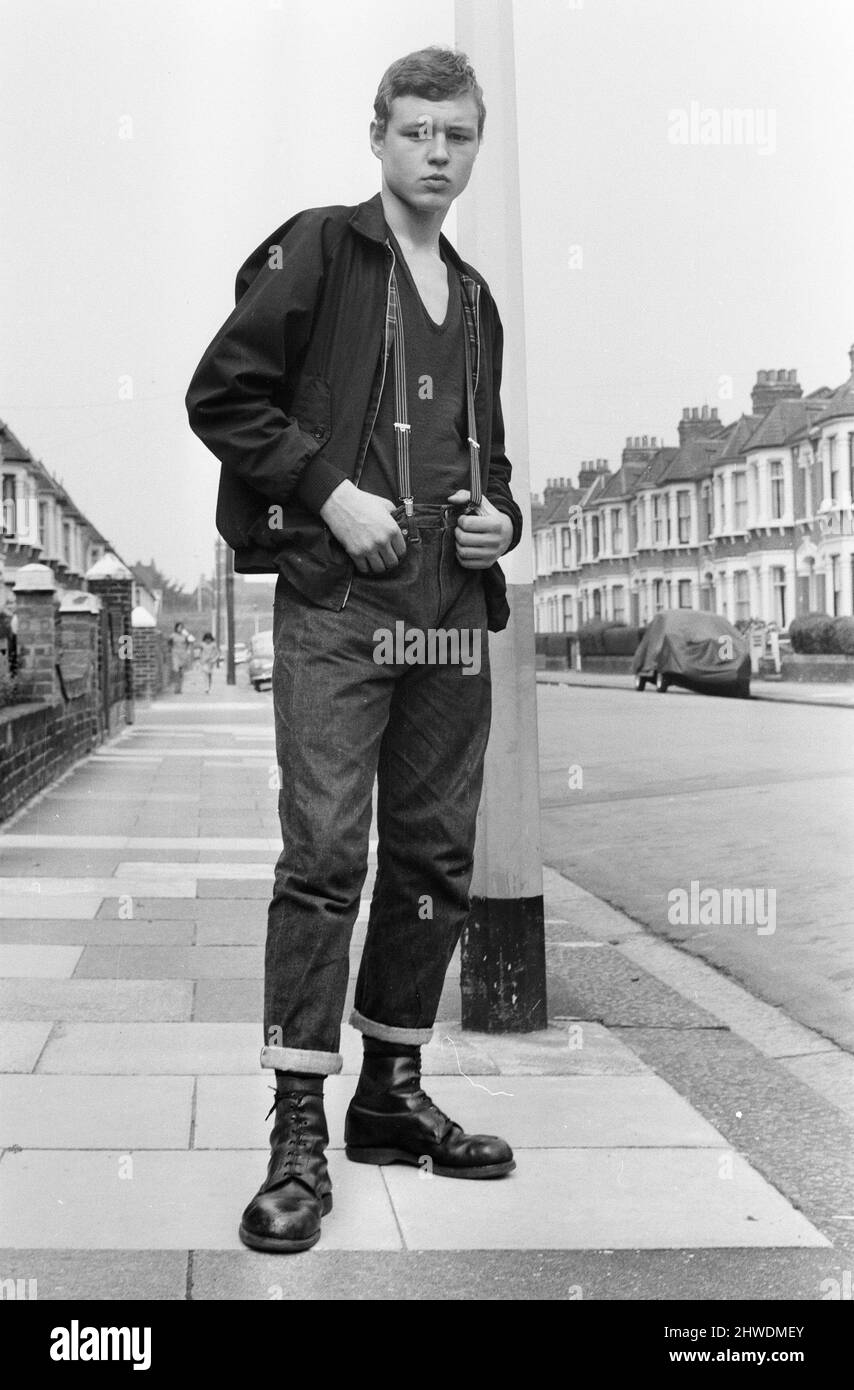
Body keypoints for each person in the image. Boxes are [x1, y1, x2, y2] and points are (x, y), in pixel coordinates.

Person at [186, 46, 524, 1254]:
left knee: (432, 855)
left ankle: (388, 1095)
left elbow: (477, 456)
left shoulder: (476, 297)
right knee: (326, 852)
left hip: (449, 605)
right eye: (418, 130)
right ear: (377, 136)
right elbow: (222, 396)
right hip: (340, 600)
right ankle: (293, 1129)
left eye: (458, 135)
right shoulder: (318, 249)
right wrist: (326, 494)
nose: (438, 152)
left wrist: (503, 520)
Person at [166, 621, 190, 694]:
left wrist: (185, 650)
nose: (180, 629)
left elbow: (188, 643)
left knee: (181, 672)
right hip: (175, 655)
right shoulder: (172, 636)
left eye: (181, 627)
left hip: (182, 655)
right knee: (176, 671)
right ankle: (176, 688)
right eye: (179, 627)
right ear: (176, 628)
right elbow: (169, 643)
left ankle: (180, 688)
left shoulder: (184, 636)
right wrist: (170, 650)